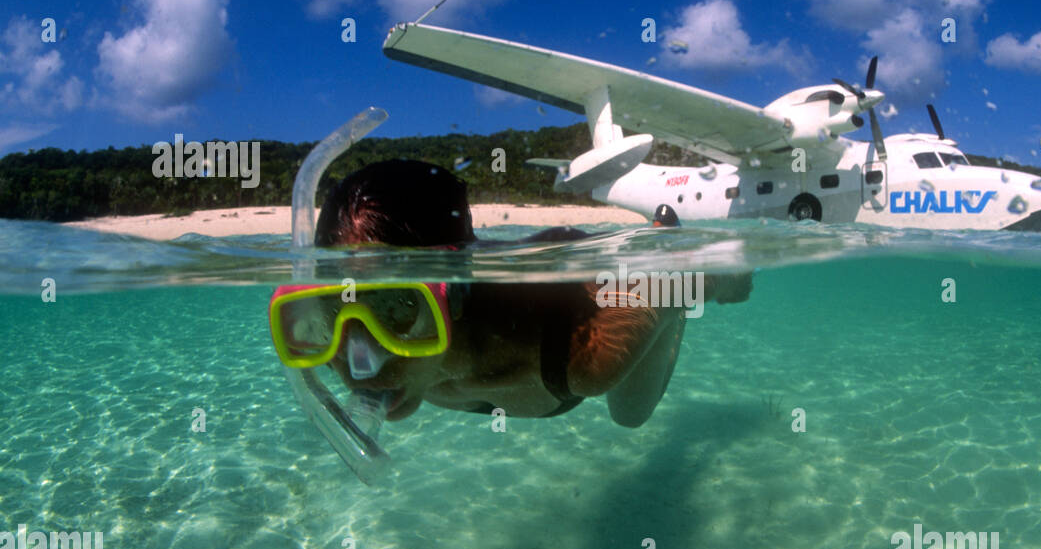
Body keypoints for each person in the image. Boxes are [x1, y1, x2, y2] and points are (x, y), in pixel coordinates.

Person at [269, 160, 749, 439]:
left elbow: (687, 273)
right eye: (332, 311)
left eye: (397, 311)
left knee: (629, 415)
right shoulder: (346, 354)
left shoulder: (580, 349)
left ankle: (663, 237)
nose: (359, 367)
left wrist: (726, 276)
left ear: (452, 293)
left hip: (612, 281)